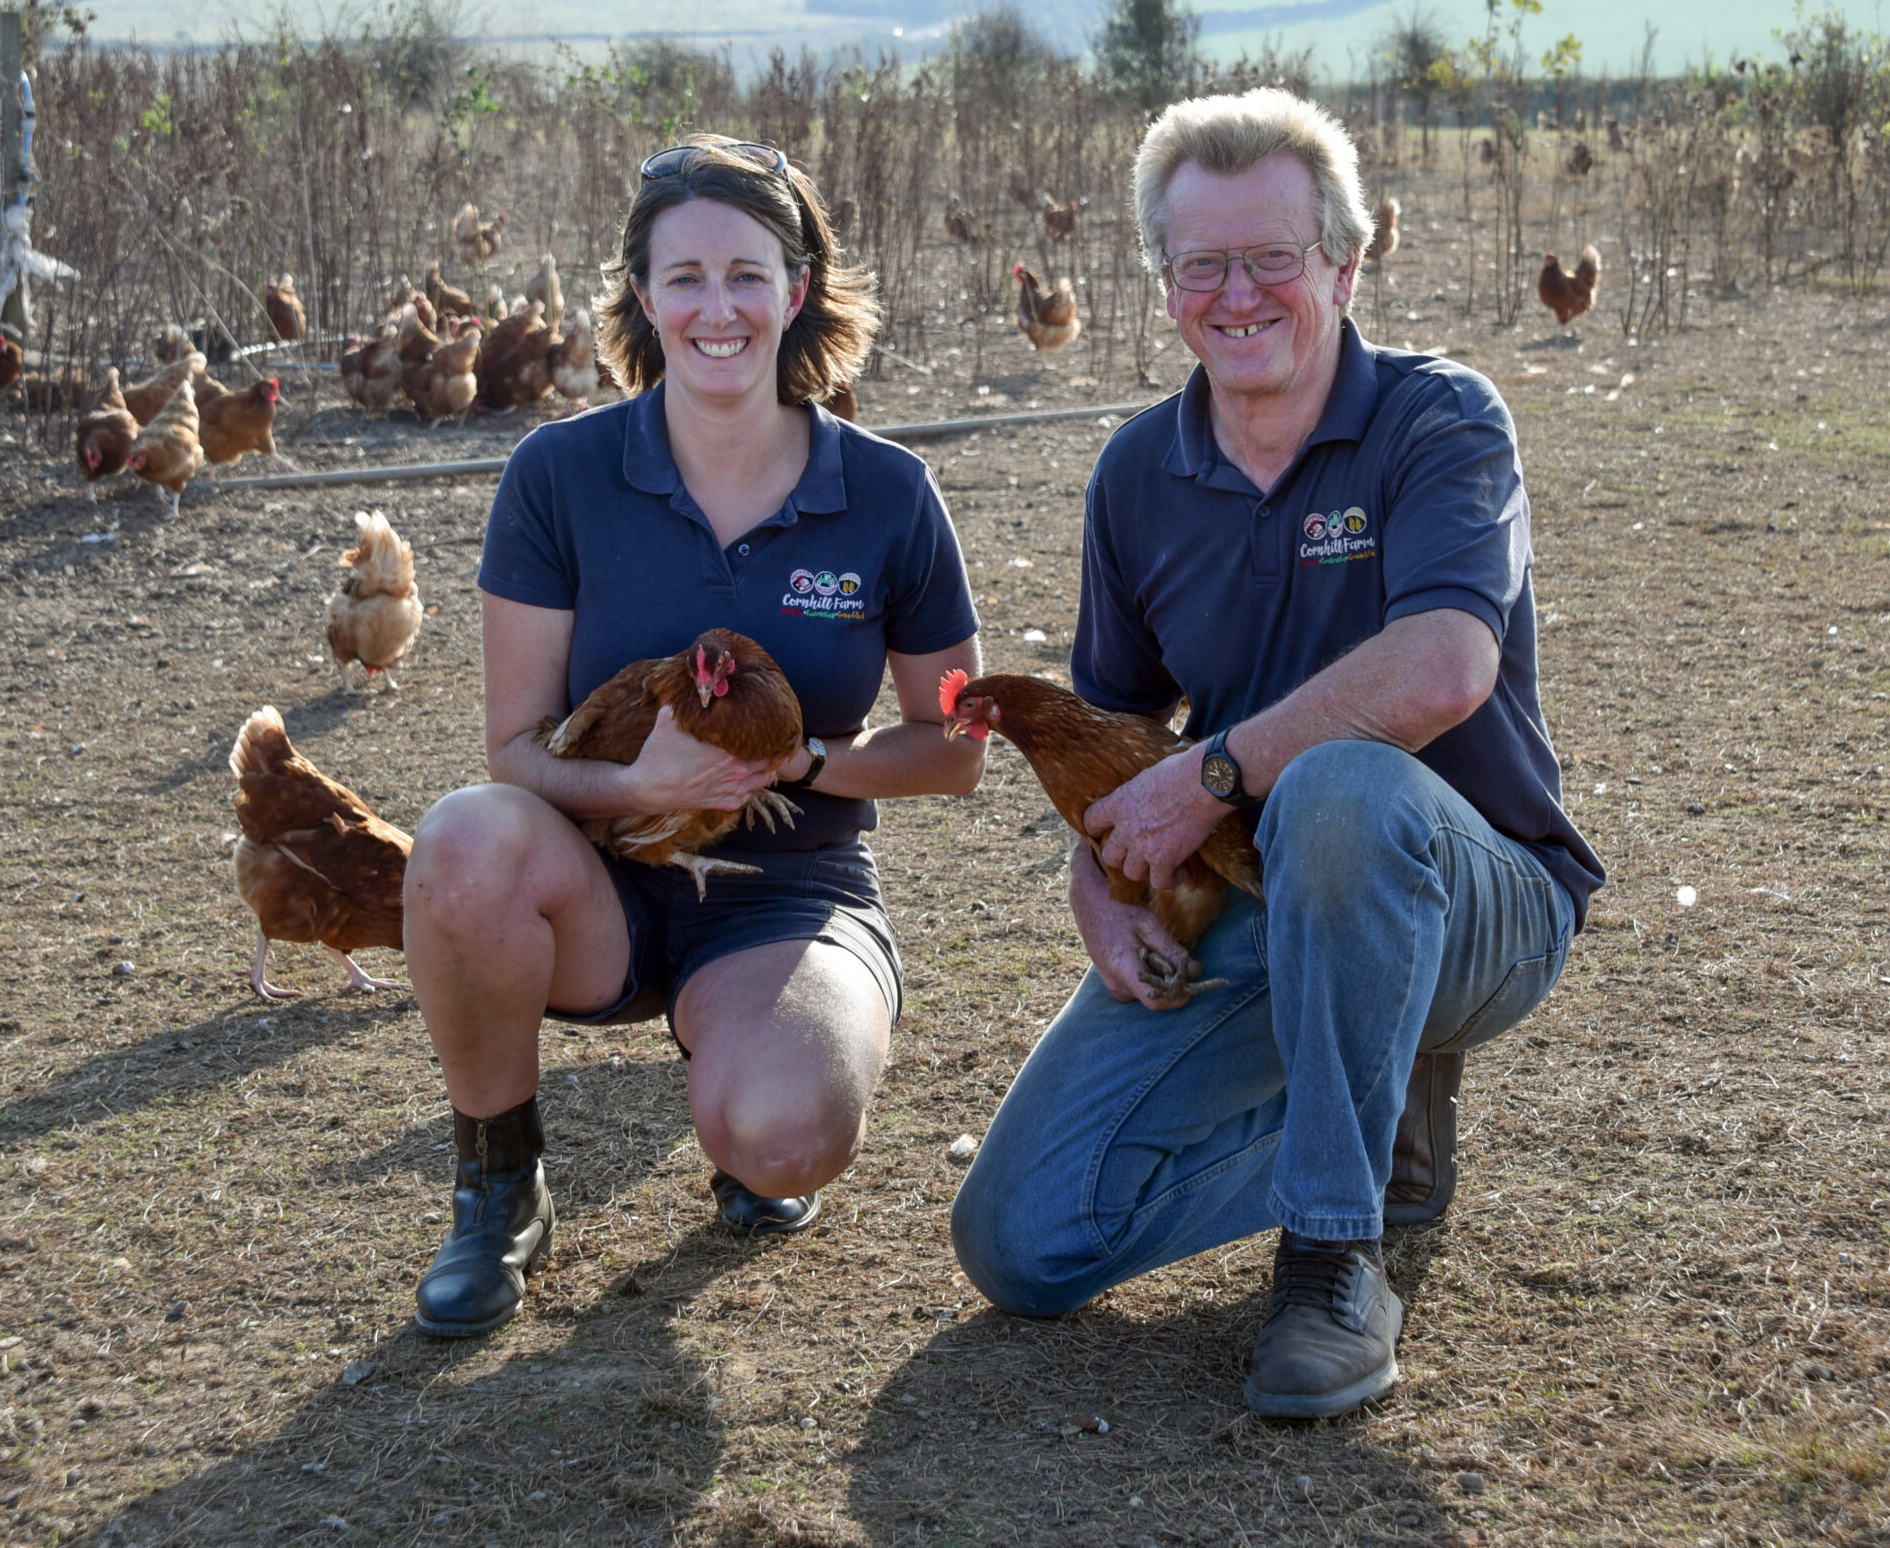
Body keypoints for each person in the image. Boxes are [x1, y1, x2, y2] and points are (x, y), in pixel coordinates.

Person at [948, 89, 1604, 1418]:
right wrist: (1101, 892)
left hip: (1476, 896)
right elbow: (1112, 746)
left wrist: (1211, 775)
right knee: (1020, 1239)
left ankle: (1335, 1258)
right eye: (1203, 264)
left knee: (1345, 789)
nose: (1237, 293)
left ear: (1345, 264)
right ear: (1166, 283)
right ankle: (1379, 1136)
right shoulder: (1140, 475)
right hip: (1260, 896)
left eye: (1272, 257)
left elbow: (1442, 669)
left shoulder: (1439, 422)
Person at [403, 136, 984, 1339]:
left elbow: (956, 747)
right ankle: (498, 1185)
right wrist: (642, 783)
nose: (716, 308)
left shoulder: (885, 495)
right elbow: (515, 747)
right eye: (684, 277)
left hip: (787, 883)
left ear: (797, 288)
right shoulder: (558, 475)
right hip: (599, 882)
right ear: (642, 296)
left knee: (780, 1138)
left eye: (746, 273)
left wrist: (805, 762)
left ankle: (747, 1077)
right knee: (463, 838)